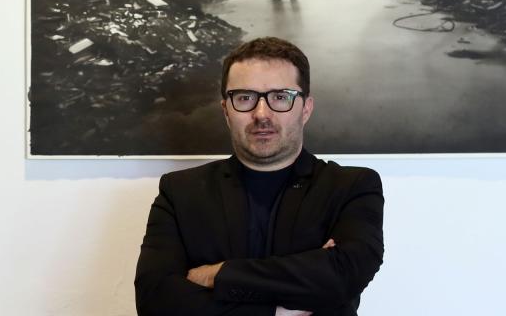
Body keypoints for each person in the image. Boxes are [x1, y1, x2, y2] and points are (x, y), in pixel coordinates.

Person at [134, 37, 384, 316]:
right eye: (244, 98)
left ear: (307, 108)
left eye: (280, 97)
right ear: (226, 111)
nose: (261, 114)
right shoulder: (180, 192)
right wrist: (277, 310)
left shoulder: (352, 187)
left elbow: (344, 274)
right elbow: (155, 300)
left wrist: (220, 274)